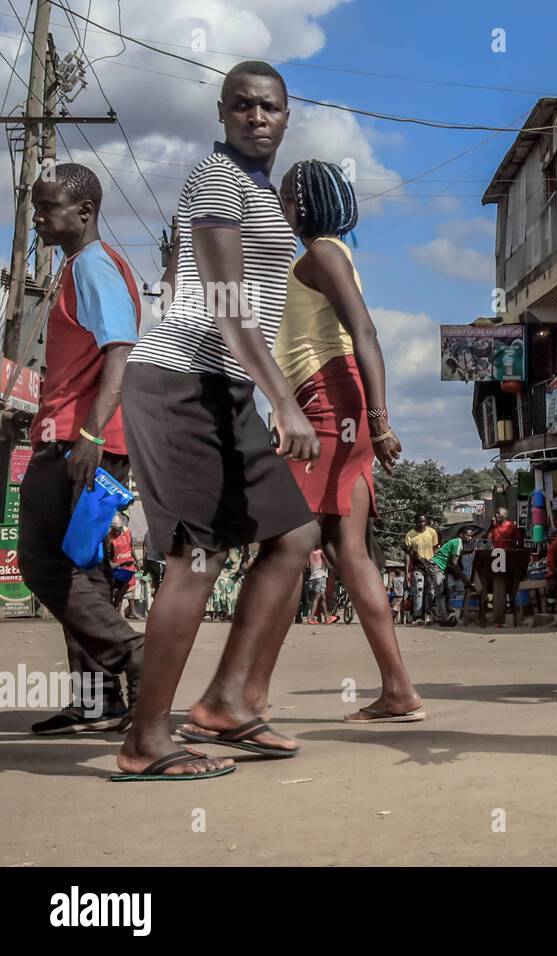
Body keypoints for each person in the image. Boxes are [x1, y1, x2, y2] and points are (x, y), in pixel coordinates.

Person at [114, 61, 320, 781]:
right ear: (222, 114)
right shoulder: (215, 180)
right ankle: (147, 739)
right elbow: (229, 305)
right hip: (178, 381)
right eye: (242, 106)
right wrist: (285, 401)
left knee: (295, 535)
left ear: (287, 115)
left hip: (225, 388)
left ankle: (228, 701)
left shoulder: (261, 192)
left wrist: (261, 394)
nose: (256, 117)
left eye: (268, 107)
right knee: (195, 558)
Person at [270, 158, 421, 721]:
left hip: (329, 403)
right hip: (334, 403)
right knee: (344, 550)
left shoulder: (323, 254)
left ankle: (241, 692)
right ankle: (399, 689)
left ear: (303, 206)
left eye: (287, 198)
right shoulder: (325, 255)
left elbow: (366, 332)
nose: (281, 209)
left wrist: (379, 420)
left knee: (283, 547)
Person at [19, 162, 143, 735]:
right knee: (82, 571)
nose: (38, 218)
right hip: (74, 437)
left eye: (48, 208)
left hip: (80, 444)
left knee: (43, 563)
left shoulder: (93, 266)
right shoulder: (82, 266)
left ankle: (138, 658)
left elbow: (122, 351)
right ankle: (98, 700)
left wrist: (91, 438)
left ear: (84, 212)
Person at [430, 525, 476, 625]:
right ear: (462, 535)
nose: (470, 538)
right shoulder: (458, 543)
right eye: (468, 535)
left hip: (439, 567)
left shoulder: (456, 542)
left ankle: (445, 615)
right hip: (436, 567)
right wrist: (465, 580)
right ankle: (444, 619)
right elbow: (454, 564)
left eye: (471, 536)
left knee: (446, 592)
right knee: (440, 594)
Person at [405, 514, 438, 625]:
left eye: (423, 521)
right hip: (418, 567)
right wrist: (407, 572)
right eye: (419, 522)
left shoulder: (432, 533)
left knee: (431, 592)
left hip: (430, 566)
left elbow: (435, 550)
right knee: (419, 591)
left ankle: (428, 615)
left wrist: (438, 566)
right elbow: (408, 555)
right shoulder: (410, 535)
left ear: (426, 522)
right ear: (415, 522)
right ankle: (418, 616)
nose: (421, 524)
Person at [106, 515, 137, 617]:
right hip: (116, 569)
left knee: (125, 589)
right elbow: (109, 563)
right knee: (114, 591)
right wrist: (122, 563)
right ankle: (114, 612)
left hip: (127, 568)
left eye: (119, 529)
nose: (118, 532)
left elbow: (131, 546)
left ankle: (117, 612)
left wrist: (136, 560)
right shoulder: (108, 539)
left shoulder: (127, 532)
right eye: (116, 530)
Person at [306, 546, 330, 623]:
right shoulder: (322, 552)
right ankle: (311, 618)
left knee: (322, 598)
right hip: (321, 576)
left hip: (312, 578)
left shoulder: (310, 553)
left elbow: (307, 566)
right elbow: (328, 564)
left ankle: (327, 618)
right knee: (316, 599)